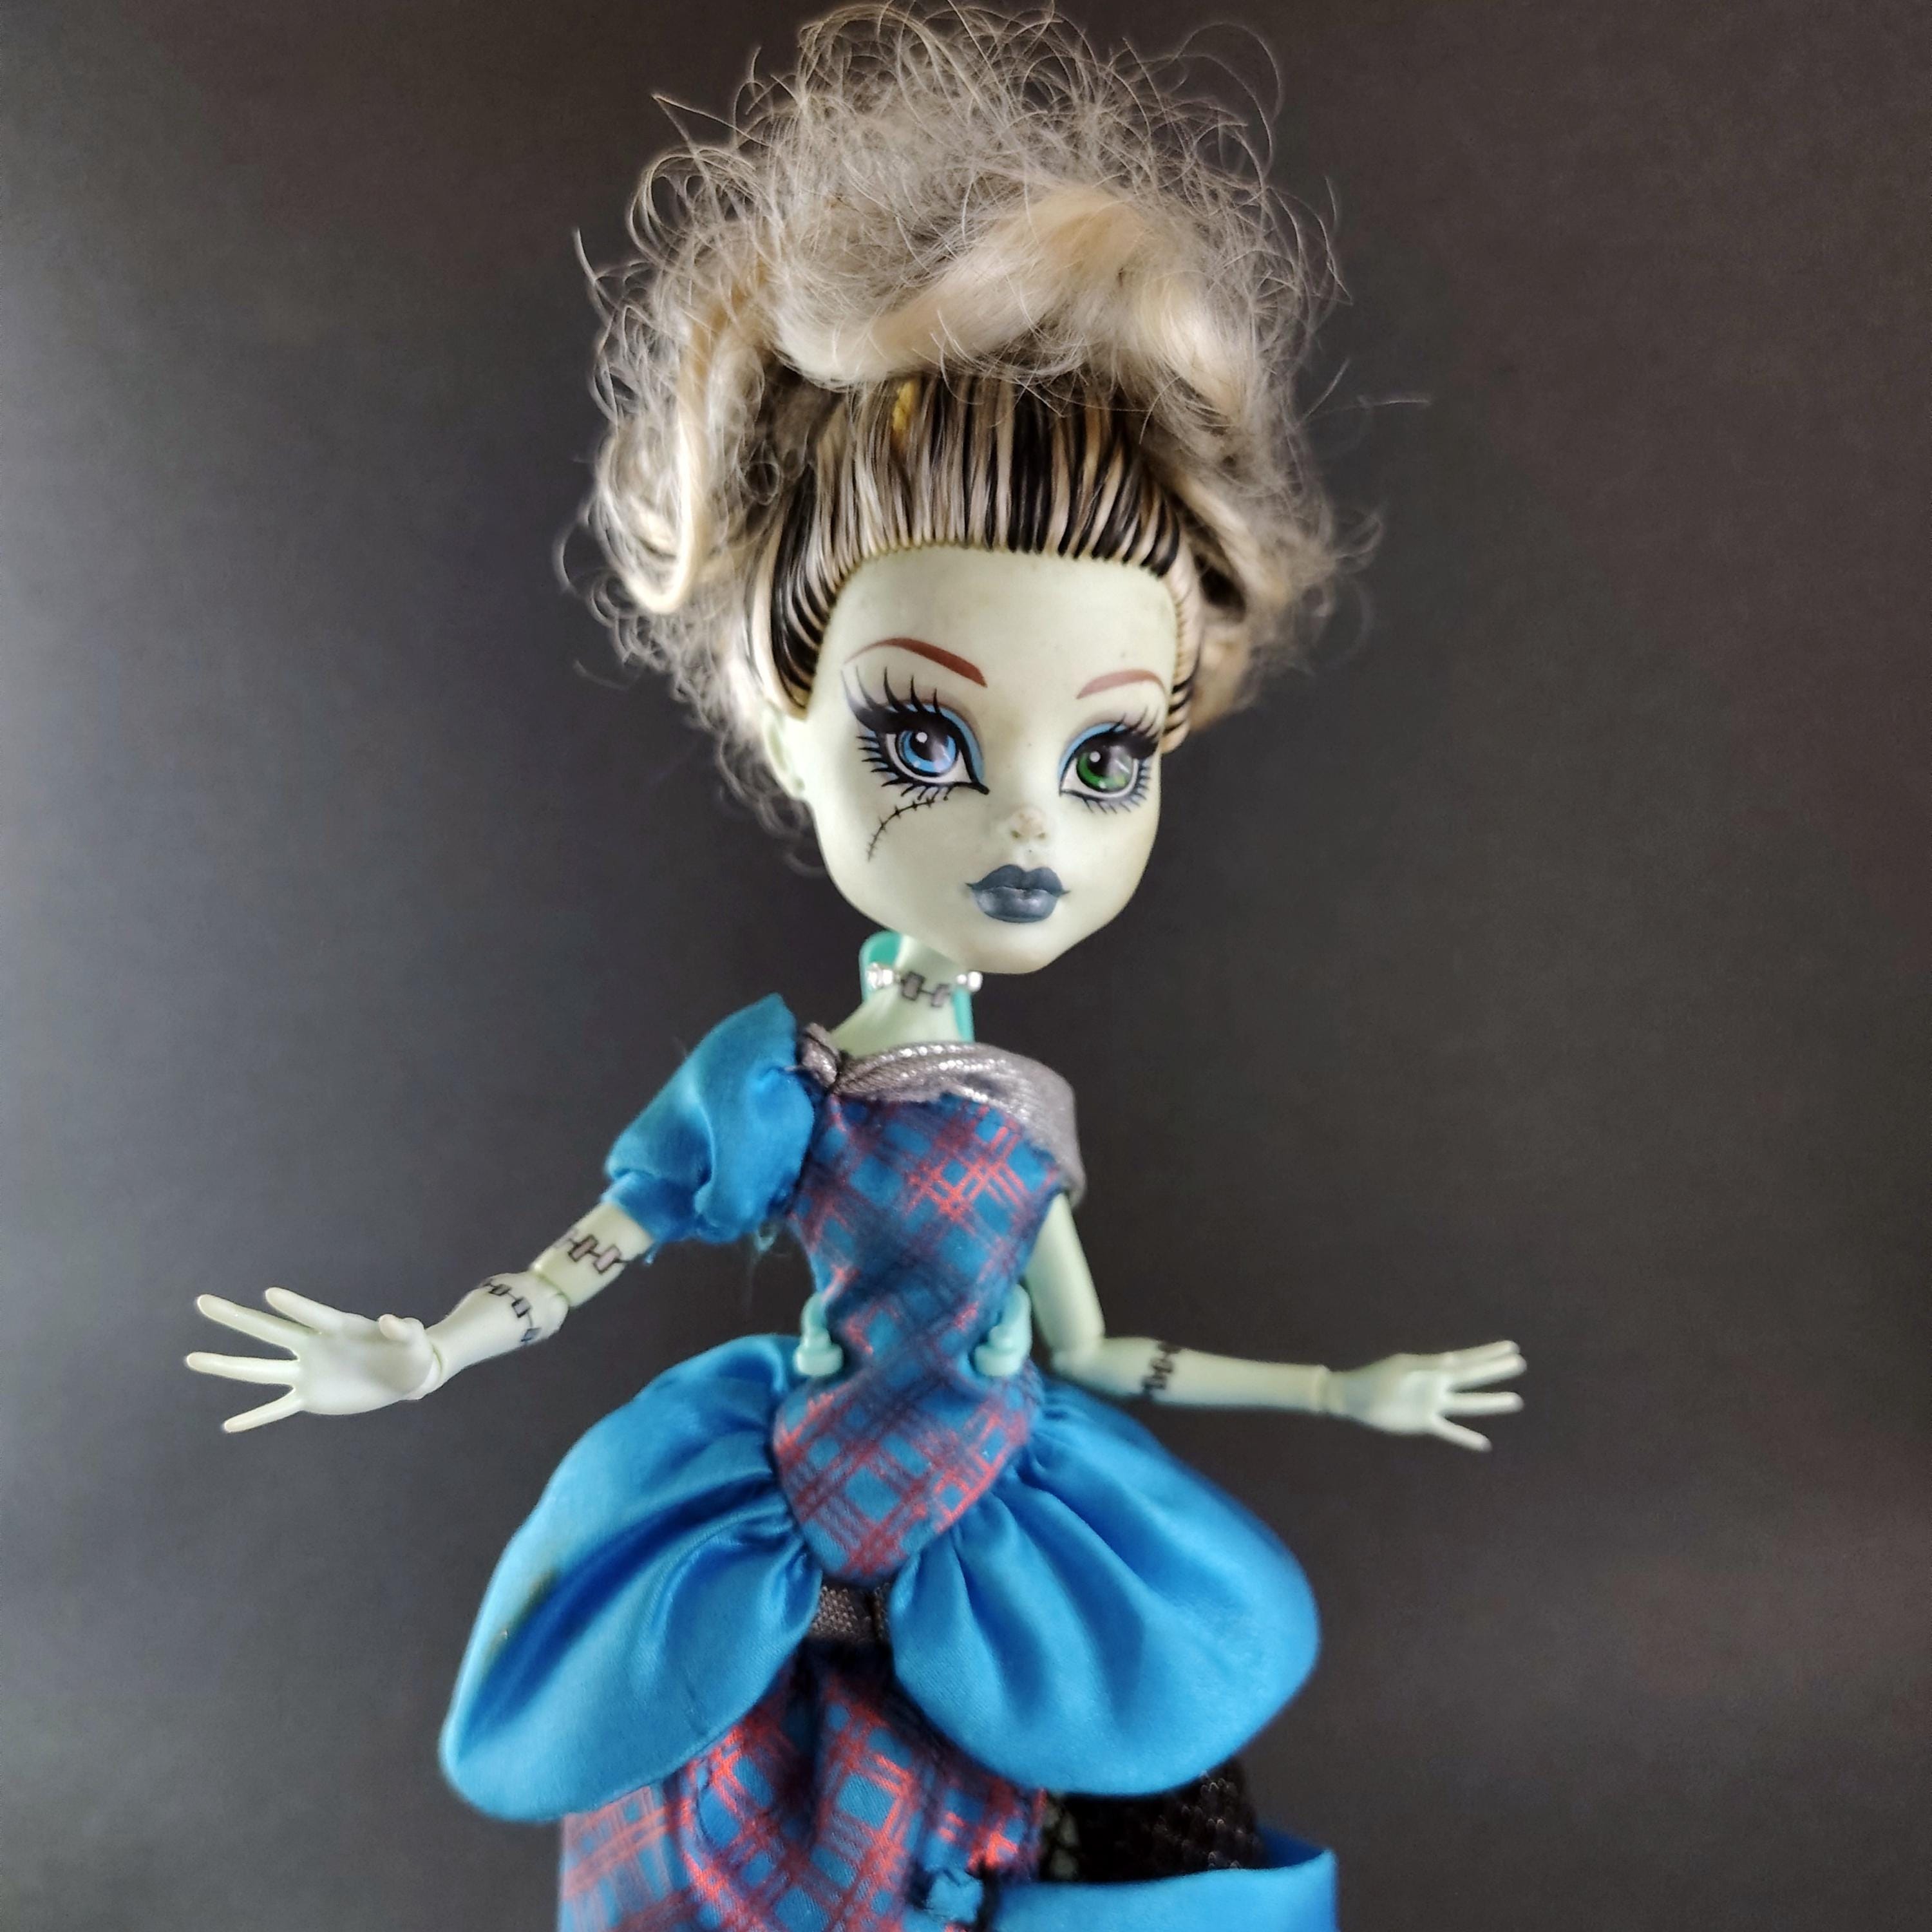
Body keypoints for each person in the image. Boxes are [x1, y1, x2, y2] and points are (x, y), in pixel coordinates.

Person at [186, 9, 1524, 1927]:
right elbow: (605, 1245)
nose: (1032, 826)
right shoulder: (776, 1091)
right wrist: (423, 1351)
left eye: (1108, 755)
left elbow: (1092, 1351)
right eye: (924, 737)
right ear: (784, 711)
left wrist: (1342, 1390)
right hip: (788, 1542)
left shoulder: (1029, 1114)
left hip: (1003, 1535)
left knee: (1135, 1789)